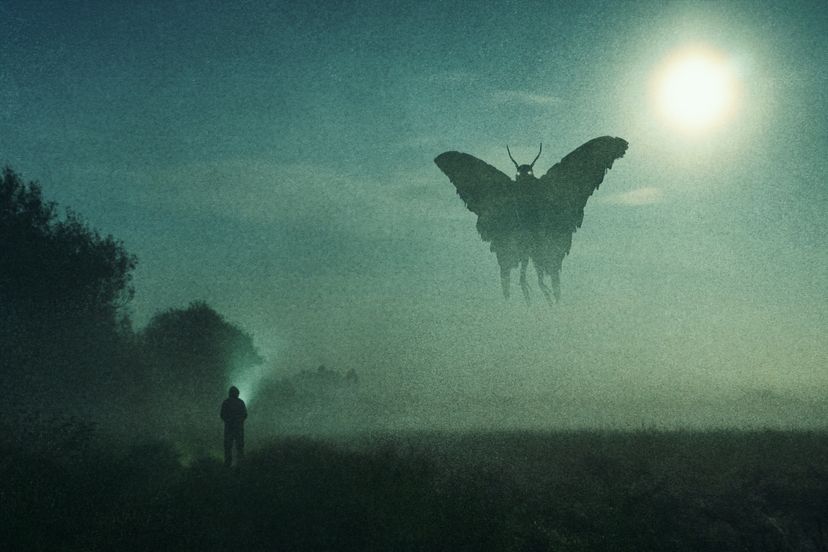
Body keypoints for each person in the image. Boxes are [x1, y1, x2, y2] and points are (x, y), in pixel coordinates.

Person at [220, 386, 247, 467]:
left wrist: (229, 421)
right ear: (237, 393)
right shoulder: (241, 402)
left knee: (228, 446)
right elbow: (245, 414)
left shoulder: (226, 402)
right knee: (240, 446)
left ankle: (228, 464)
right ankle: (240, 463)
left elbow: (222, 415)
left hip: (229, 428)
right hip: (239, 428)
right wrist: (239, 421)